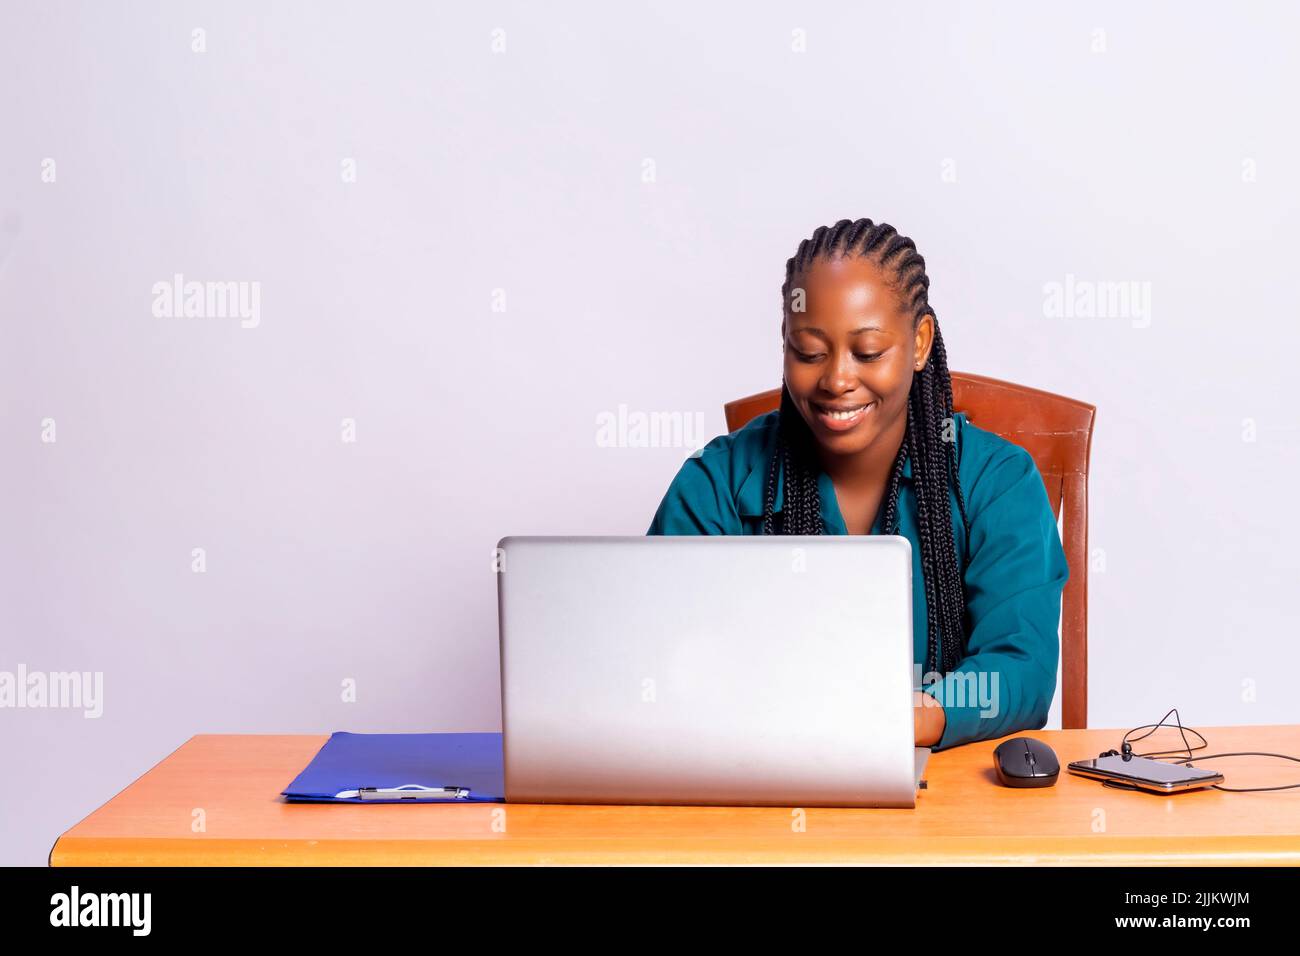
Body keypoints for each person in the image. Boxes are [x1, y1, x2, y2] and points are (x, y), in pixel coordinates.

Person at [647, 218, 1069, 750]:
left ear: (919, 344)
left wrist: (896, 721)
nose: (837, 379)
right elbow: (661, 658)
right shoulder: (717, 483)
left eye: (868, 352)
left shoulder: (997, 483)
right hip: (757, 779)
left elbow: (1020, 669)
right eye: (808, 352)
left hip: (942, 800)